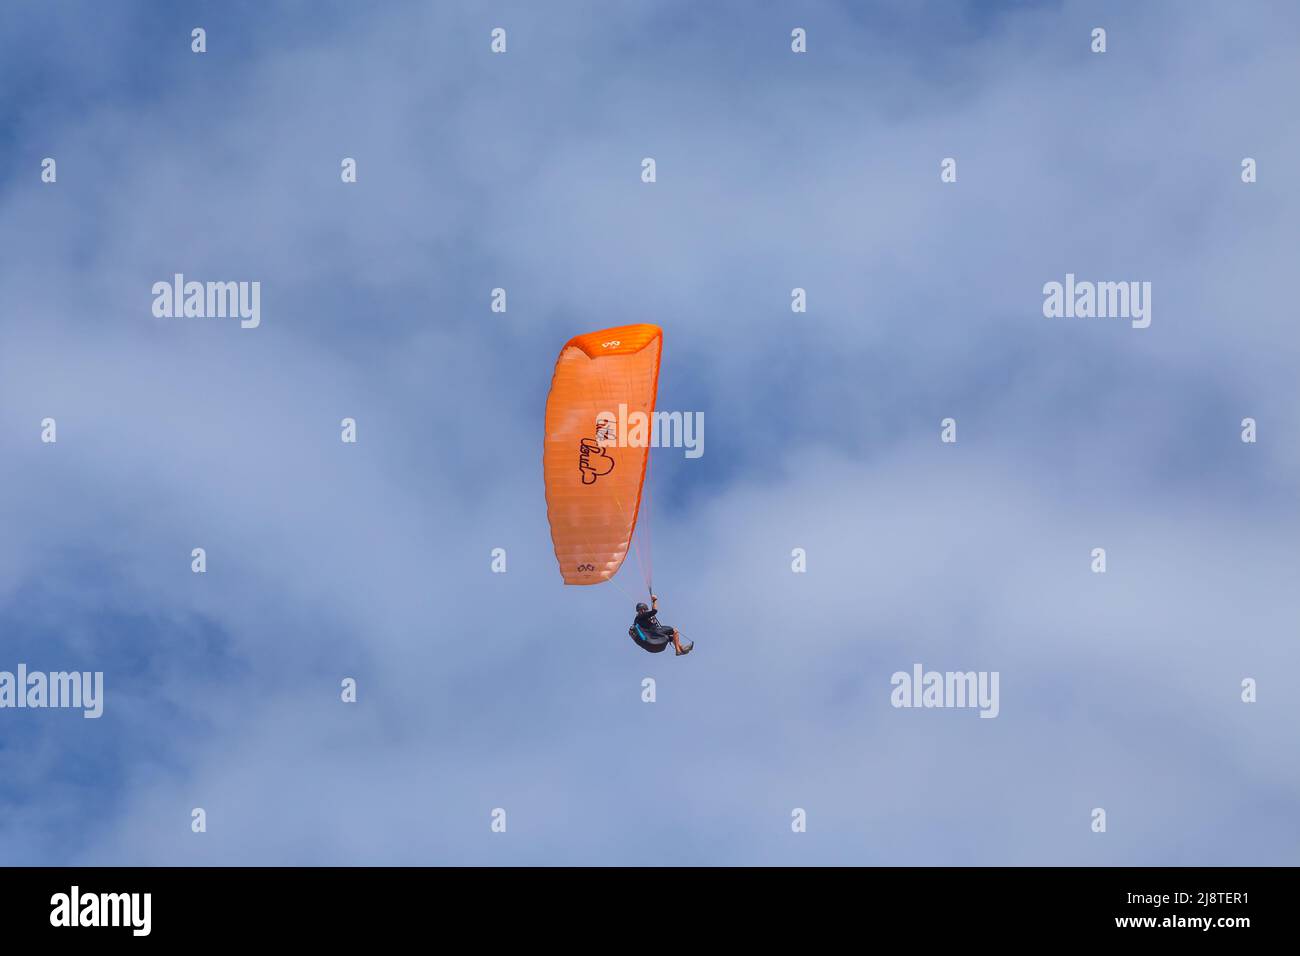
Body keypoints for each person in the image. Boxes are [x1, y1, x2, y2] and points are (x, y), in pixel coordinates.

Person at [628, 594, 693, 656]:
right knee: (674, 630)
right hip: (654, 634)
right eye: (646, 610)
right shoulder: (641, 616)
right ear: (643, 610)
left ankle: (681, 648)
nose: (647, 611)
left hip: (652, 640)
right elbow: (654, 611)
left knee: (672, 637)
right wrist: (654, 600)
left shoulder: (637, 620)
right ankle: (678, 650)